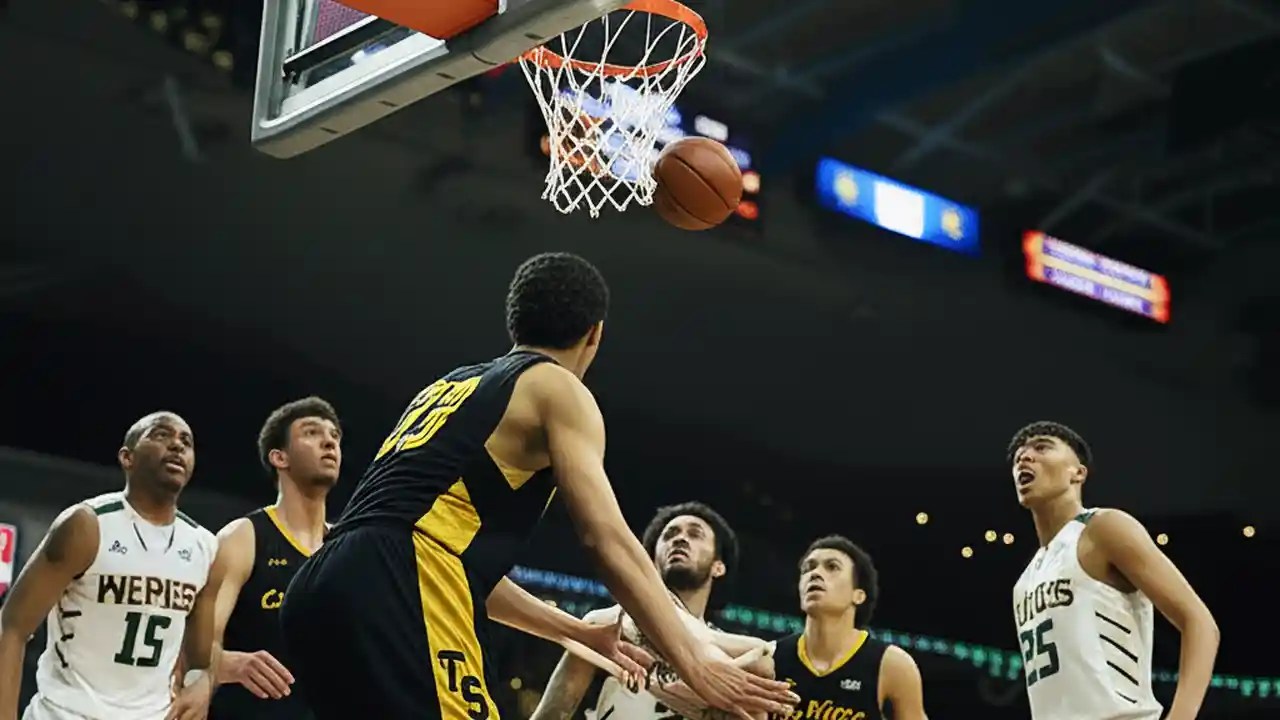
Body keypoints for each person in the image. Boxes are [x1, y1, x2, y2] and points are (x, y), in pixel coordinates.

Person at [279, 251, 797, 720]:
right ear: (594, 334)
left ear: (515, 321)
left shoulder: (453, 383)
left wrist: (573, 629)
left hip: (323, 583)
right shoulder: (560, 390)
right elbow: (607, 540)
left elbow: (447, 557)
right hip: (400, 585)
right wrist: (695, 663)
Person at [0, 412, 224, 720]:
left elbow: (200, 657)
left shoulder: (204, 546)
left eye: (186, 442)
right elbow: (12, 627)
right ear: (127, 457)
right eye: (161, 435)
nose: (176, 446)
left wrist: (205, 682)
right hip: (66, 713)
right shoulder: (86, 526)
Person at [1008, 421, 1218, 720]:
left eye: (1041, 447)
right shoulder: (1024, 581)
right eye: (1018, 454)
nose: (1024, 457)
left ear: (1077, 473)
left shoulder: (1104, 528)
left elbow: (1200, 623)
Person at [531, 501, 740, 720]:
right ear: (650, 561)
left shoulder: (731, 656)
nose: (680, 539)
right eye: (669, 535)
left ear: (719, 566)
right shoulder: (607, 624)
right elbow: (550, 714)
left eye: (695, 534)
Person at [208, 397, 343, 720]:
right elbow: (195, 644)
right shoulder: (243, 537)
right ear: (279, 457)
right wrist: (227, 662)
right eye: (311, 433)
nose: (329, 442)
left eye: (334, 436)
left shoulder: (347, 547)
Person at [772, 535, 928, 720]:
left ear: (858, 595)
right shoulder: (771, 656)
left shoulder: (892, 665)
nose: (815, 573)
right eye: (808, 568)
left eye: (832, 567)